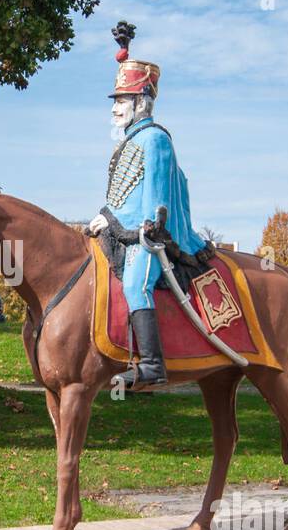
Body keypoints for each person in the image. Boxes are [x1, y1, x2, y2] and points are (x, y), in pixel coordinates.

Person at [88, 22, 208, 390]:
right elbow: (121, 195)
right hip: (124, 228)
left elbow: (154, 199)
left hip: (146, 236)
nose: (115, 110)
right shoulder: (128, 142)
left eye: (122, 101)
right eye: (117, 101)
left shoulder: (155, 139)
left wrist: (138, 226)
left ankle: (153, 366)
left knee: (136, 286)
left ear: (142, 102)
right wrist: (104, 216)